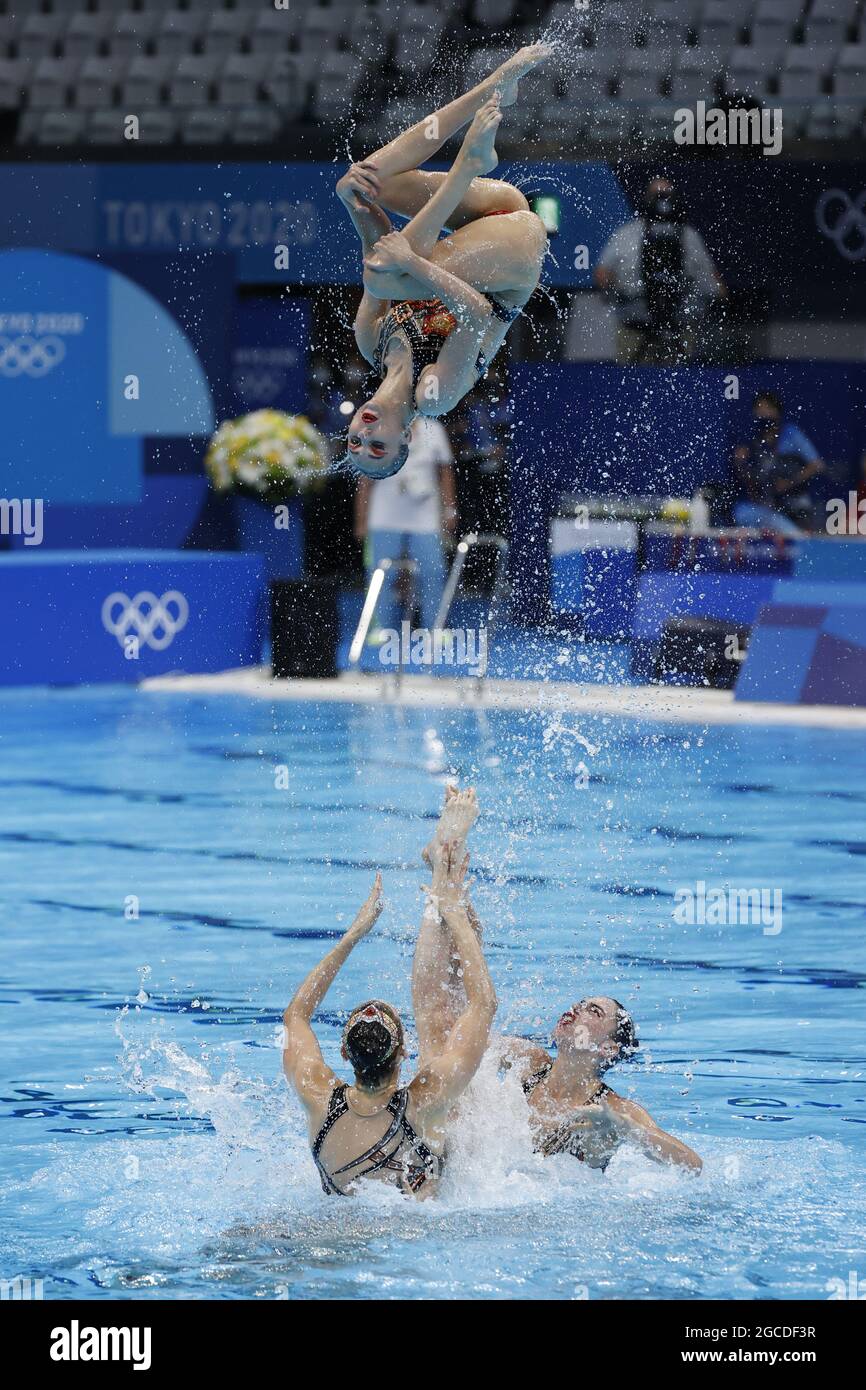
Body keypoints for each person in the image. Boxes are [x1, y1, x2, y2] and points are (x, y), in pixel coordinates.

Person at [335, 44, 551, 478]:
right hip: (514, 256)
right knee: (384, 277)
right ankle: (466, 165)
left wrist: (351, 203)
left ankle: (492, 88)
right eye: (377, 447)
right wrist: (410, 263)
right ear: (405, 437)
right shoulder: (434, 395)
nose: (366, 433)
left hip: (486, 216)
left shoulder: (369, 340)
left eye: (354, 441)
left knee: (367, 183)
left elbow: (377, 243)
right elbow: (476, 311)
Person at [282, 787, 497, 1198]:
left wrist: (351, 937)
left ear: (344, 1054)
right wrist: (453, 910)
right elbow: (483, 1004)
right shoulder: (425, 1101)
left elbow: (295, 1016)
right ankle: (443, 884)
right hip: (423, 1223)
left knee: (440, 1031)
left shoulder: (318, 1097)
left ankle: (442, 878)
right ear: (402, 1055)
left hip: (349, 1225)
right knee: (444, 1042)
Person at [496, 1001, 703, 1172]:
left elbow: (692, 1166)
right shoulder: (528, 1063)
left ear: (608, 1048)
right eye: (580, 1004)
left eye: (594, 1011)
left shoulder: (612, 1109)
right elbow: (476, 1040)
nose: (575, 1008)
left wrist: (625, 1127)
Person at [593, 178, 726, 366]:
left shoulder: (690, 237)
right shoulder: (626, 234)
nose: (662, 201)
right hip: (634, 330)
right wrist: (621, 288)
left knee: (679, 381)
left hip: (680, 332)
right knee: (631, 380)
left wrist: (693, 293)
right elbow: (601, 274)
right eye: (657, 195)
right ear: (646, 198)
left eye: (666, 195)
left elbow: (716, 285)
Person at [354, 414, 457, 632]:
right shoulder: (375, 430)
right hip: (385, 514)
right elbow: (365, 478)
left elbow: (445, 472)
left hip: (425, 514)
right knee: (382, 573)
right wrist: (361, 519)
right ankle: (382, 628)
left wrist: (449, 509)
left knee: (433, 570)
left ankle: (435, 627)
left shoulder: (434, 429)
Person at [732, 390, 826, 534]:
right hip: (770, 507)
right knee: (741, 511)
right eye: (759, 409)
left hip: (795, 502)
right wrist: (740, 464)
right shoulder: (754, 442)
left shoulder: (791, 433)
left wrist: (789, 482)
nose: (763, 414)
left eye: (767, 408)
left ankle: (796, 536)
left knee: (788, 530)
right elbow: (752, 483)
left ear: (777, 411)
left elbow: (817, 465)